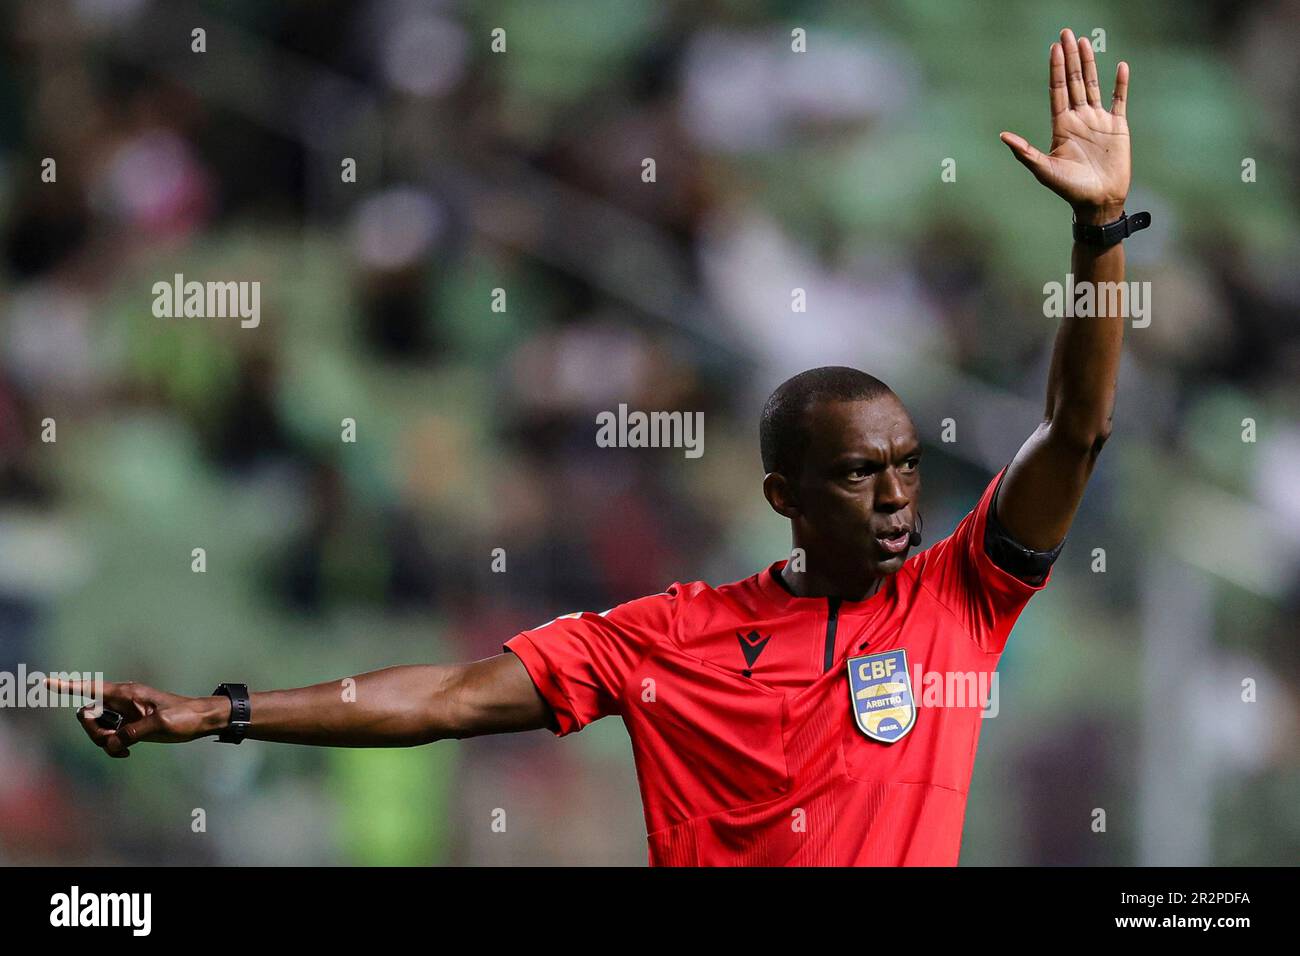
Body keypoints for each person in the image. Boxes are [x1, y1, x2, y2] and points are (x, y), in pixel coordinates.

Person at [50, 28, 1143, 866]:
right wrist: (222, 711)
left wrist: (1097, 236)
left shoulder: (957, 600)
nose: (899, 494)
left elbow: (1075, 428)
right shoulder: (667, 638)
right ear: (783, 493)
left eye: (906, 463)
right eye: (861, 471)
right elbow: (445, 700)